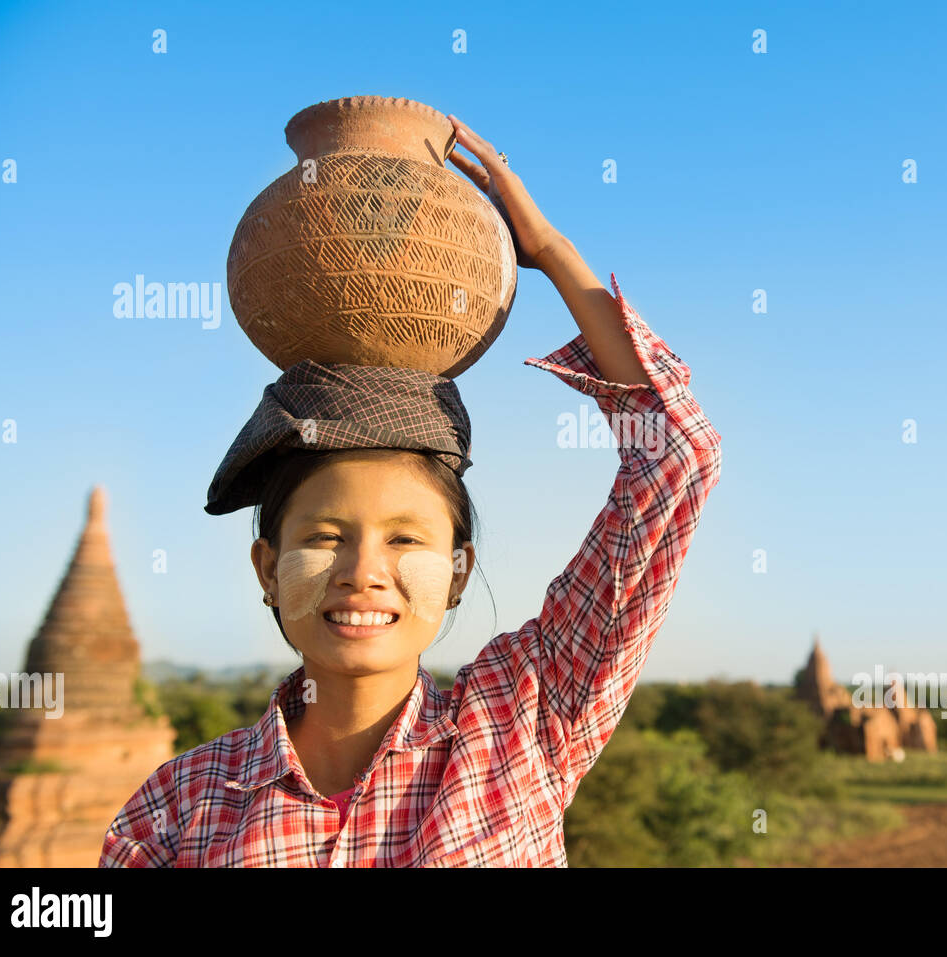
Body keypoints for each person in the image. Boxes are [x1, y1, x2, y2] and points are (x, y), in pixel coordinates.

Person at [98, 114, 722, 867]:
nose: (364, 570)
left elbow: (676, 457)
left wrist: (551, 252)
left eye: (406, 538)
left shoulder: (524, 718)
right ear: (268, 566)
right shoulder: (178, 808)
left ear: (458, 569)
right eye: (325, 537)